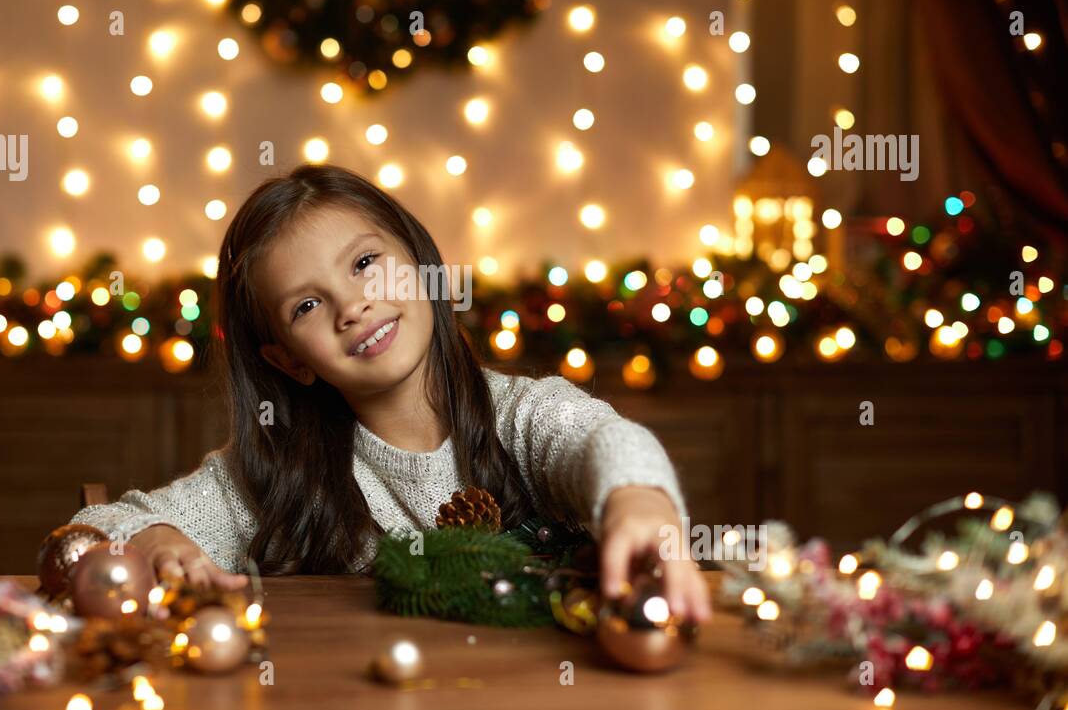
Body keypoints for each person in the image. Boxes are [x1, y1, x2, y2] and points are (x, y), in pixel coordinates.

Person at [71, 164, 710, 621]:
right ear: (289, 361)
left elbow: (603, 440)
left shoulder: (522, 415)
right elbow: (92, 528)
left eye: (364, 263)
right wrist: (153, 539)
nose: (353, 306)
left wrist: (637, 500)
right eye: (307, 305)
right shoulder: (274, 476)